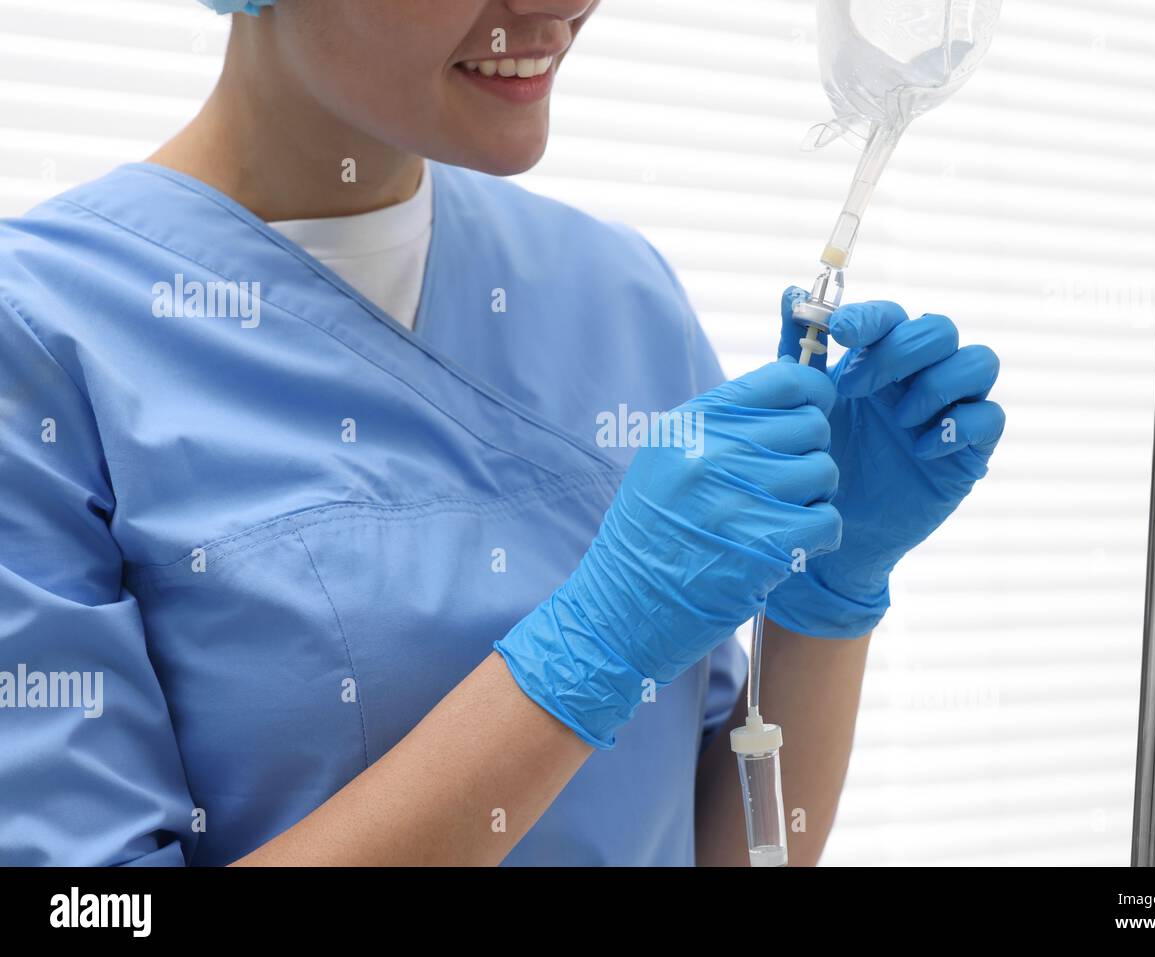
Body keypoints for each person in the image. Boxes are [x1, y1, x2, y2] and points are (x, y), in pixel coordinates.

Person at [0, 0, 1004, 866]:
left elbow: (721, 841)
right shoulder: (46, 335)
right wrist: (589, 653)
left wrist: (823, 602)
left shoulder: (618, 292)